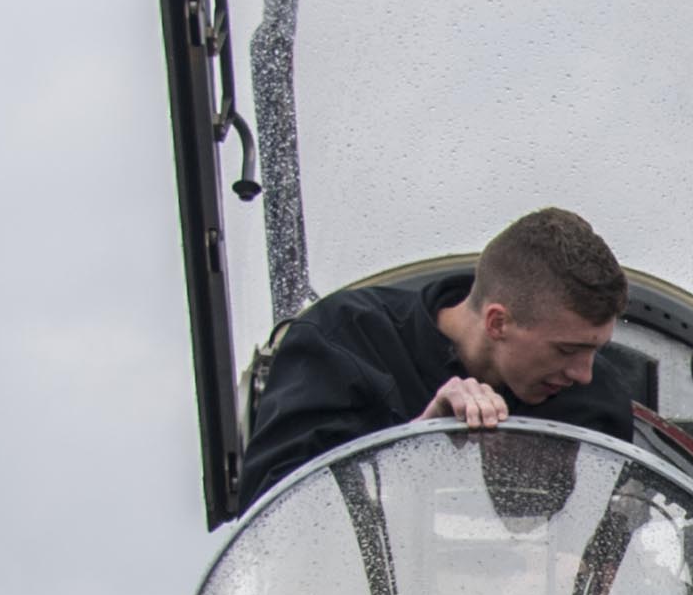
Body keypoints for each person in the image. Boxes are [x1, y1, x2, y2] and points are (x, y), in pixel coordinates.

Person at [234, 205, 651, 490]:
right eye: (566, 350)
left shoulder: (596, 403)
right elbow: (274, 515)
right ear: (497, 322)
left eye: (595, 350)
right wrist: (419, 445)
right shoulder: (344, 343)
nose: (584, 373)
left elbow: (591, 550)